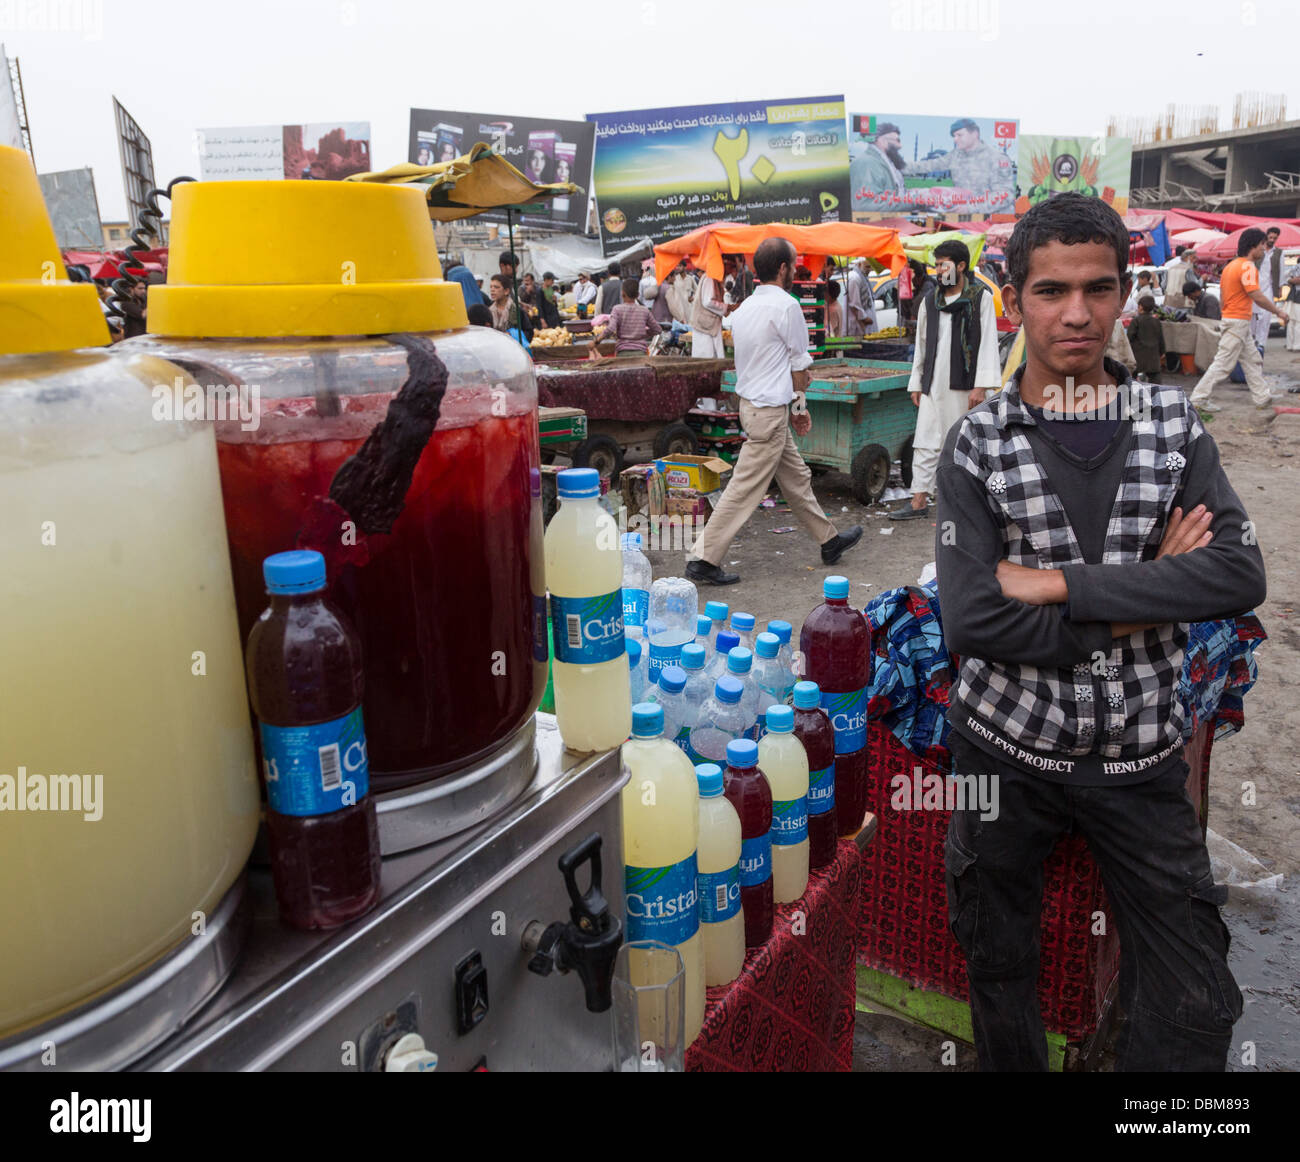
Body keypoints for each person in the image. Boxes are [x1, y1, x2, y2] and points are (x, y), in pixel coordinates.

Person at [936, 190, 1265, 1073]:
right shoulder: (978, 443)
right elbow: (971, 620)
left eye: (1097, 288)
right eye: (1050, 291)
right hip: (1002, 752)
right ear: (1015, 301)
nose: (1075, 313)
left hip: (1141, 756)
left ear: (1125, 294)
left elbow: (1238, 574)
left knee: (1198, 996)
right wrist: (1148, 591)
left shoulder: (1172, 424)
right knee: (999, 965)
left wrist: (1053, 586)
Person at [684, 237, 862, 585]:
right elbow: (798, 368)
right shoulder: (787, 306)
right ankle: (703, 558)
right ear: (783, 268)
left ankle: (829, 541)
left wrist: (792, 403)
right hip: (769, 412)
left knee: (797, 479)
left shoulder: (747, 307)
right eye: (793, 265)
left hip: (754, 408)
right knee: (743, 488)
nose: (795, 270)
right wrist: (800, 407)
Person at [891, 238, 1000, 521]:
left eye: (943, 264)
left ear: (961, 265)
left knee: (967, 443)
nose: (938, 270)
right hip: (933, 383)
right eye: (936, 265)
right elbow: (922, 343)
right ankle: (918, 500)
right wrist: (916, 382)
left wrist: (981, 385)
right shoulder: (931, 300)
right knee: (925, 440)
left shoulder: (980, 298)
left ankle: (969, 503)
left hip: (965, 385)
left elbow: (989, 341)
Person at [1189, 228, 1287, 412]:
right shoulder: (1247, 266)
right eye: (1262, 246)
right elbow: (1256, 295)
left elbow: (1224, 298)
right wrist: (1278, 311)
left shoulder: (1230, 266)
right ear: (1253, 247)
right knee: (1223, 364)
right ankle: (1198, 399)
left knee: (1252, 360)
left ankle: (1262, 397)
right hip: (1238, 321)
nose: (1264, 250)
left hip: (1234, 319)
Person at [903, 118, 1015, 214]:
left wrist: (971, 208)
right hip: (965, 214)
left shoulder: (996, 158)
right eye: (954, 136)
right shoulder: (956, 155)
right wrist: (898, 166)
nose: (955, 139)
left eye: (959, 135)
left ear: (975, 134)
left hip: (994, 217)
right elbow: (930, 165)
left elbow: (1004, 195)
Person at [851, 121, 906, 202]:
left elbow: (894, 193)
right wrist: (914, 200)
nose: (900, 146)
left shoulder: (886, 162)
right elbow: (867, 203)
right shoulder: (867, 163)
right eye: (898, 140)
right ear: (882, 141)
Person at [606, 278, 660, 354]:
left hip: (623, 352)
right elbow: (657, 329)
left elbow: (610, 329)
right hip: (641, 352)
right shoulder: (644, 310)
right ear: (638, 295)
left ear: (622, 294)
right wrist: (643, 333)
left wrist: (596, 341)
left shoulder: (617, 309)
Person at [1251, 226, 1283, 350]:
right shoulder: (1259, 250)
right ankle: (1252, 339)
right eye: (1270, 237)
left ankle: (1261, 342)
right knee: (1253, 313)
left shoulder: (1279, 252)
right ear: (1266, 236)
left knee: (1266, 315)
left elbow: (1281, 270)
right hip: (1255, 285)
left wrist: (1280, 287)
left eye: (1275, 238)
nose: (1272, 239)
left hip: (1269, 286)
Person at [688, 264, 727, 358]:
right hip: (704, 328)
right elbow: (708, 302)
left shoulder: (713, 278)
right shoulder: (710, 278)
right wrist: (726, 307)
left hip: (707, 327)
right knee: (706, 361)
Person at [1127, 294, 1166, 379]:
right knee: (1155, 379)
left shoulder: (1136, 321)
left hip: (1138, 355)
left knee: (1132, 378)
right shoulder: (1156, 321)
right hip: (1153, 357)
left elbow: (1129, 337)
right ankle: (1155, 391)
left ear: (1140, 307)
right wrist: (1162, 352)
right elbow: (1161, 339)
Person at [844, 258, 878, 338]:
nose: (869, 270)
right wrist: (864, 318)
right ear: (859, 264)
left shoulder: (863, 277)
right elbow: (854, 304)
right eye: (867, 267)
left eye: (870, 267)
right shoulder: (854, 278)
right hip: (857, 326)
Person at [1287, 267, 1300, 352]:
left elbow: (1288, 279)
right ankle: (1296, 345)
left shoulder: (1293, 268)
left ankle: (1291, 345)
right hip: (1296, 297)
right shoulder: (1296, 268)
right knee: (1297, 322)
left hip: (1293, 296)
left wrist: (1291, 280)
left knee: (1292, 322)